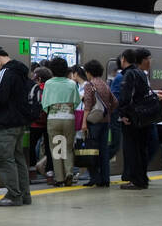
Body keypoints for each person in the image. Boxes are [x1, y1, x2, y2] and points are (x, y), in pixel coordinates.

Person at [0, 44, 33, 207]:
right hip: (20, 122)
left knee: (4, 159)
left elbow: (1, 97)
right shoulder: (21, 71)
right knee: (18, 159)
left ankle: (14, 195)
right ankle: (25, 195)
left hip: (7, 122)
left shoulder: (6, 71)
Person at [116, 47, 156, 190]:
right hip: (143, 118)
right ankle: (142, 178)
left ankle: (135, 180)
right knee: (141, 149)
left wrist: (123, 114)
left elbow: (126, 97)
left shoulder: (129, 74)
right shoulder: (142, 73)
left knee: (132, 149)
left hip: (132, 118)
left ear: (123, 59)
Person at [41, 56, 78, 186]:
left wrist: (52, 111)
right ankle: (69, 173)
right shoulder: (72, 83)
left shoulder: (49, 83)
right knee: (67, 148)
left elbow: (44, 103)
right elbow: (77, 102)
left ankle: (60, 178)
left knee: (56, 149)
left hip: (53, 118)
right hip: (69, 118)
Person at [80, 60, 115, 188]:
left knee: (91, 150)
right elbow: (114, 102)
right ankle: (105, 179)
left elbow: (88, 105)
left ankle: (95, 178)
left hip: (93, 122)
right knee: (104, 151)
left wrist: (84, 122)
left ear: (88, 72)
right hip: (105, 122)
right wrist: (107, 113)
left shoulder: (90, 85)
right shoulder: (105, 84)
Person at [28, 66, 51, 182]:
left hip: (35, 124)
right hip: (48, 123)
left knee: (31, 146)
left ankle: (32, 170)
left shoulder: (34, 88)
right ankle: (50, 172)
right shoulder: (51, 88)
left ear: (39, 78)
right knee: (48, 148)